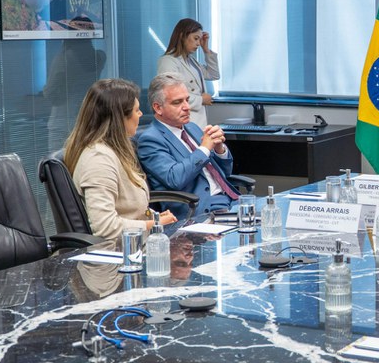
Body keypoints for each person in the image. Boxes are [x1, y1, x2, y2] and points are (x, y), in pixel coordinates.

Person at [65, 78, 177, 241]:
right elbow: (106, 228)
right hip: (118, 255)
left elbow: (125, 208)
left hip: (134, 247)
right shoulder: (98, 160)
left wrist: (154, 217)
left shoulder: (114, 151)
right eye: (136, 110)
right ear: (120, 118)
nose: (140, 115)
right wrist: (152, 225)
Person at [137, 73, 240, 218]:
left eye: (187, 100)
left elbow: (226, 173)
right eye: (177, 102)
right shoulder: (150, 139)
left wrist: (219, 149)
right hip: (200, 209)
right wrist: (204, 149)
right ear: (158, 108)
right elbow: (174, 179)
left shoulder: (192, 128)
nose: (186, 107)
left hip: (230, 200)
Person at [43, 23, 107, 151]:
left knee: (58, 167)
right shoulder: (99, 57)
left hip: (62, 122)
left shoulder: (64, 58)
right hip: (89, 121)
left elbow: (51, 94)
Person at [157, 18, 220, 127]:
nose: (198, 43)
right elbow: (170, 94)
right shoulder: (168, 61)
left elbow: (213, 74)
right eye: (196, 38)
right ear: (182, 36)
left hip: (197, 122)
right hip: (183, 123)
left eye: (200, 40)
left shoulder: (191, 61)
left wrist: (206, 50)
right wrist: (201, 100)